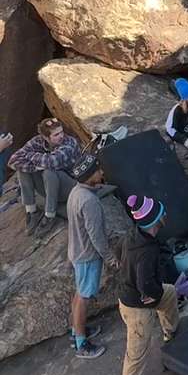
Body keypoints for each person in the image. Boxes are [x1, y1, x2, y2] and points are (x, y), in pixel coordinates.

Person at [118, 193, 179, 375]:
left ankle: (170, 332)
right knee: (136, 353)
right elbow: (145, 282)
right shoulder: (146, 251)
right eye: (162, 214)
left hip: (135, 296)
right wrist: (151, 295)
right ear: (155, 221)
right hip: (138, 308)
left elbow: (118, 253)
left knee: (170, 293)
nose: (165, 216)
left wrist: (157, 292)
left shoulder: (133, 237)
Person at [66, 153, 116, 360]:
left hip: (77, 252)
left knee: (80, 294)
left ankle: (75, 330)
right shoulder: (89, 202)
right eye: (97, 171)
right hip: (88, 255)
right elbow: (96, 235)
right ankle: (81, 343)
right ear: (88, 176)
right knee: (84, 298)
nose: (101, 172)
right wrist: (110, 257)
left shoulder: (77, 192)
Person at [9, 118, 82, 238]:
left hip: (72, 189)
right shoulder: (37, 141)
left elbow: (52, 161)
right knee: (23, 171)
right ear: (45, 137)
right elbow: (13, 160)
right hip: (50, 189)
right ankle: (32, 211)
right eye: (56, 134)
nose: (61, 136)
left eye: (61, 132)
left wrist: (32, 156)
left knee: (49, 171)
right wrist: (37, 166)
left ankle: (49, 216)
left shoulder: (69, 143)